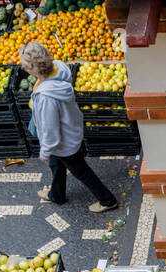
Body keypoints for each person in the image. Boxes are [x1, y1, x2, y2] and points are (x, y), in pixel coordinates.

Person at [21, 43, 119, 214]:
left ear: (33, 70)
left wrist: (45, 151)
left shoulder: (46, 97)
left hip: (63, 141)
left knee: (80, 171)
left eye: (26, 67)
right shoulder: (59, 68)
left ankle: (107, 200)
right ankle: (56, 194)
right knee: (56, 164)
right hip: (71, 129)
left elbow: (50, 128)